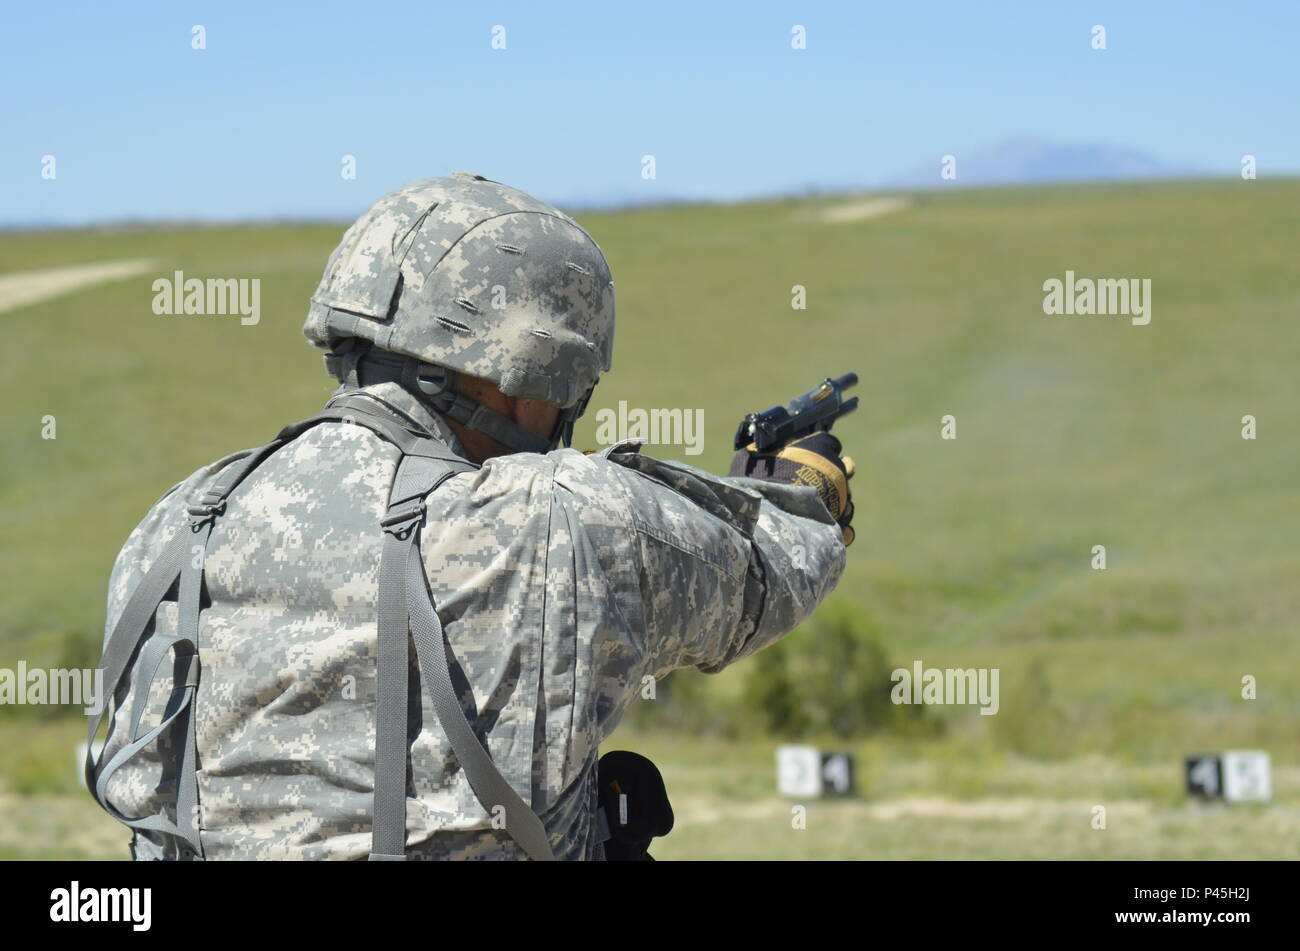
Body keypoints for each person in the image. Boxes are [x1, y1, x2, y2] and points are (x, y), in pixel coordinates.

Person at [90, 172, 854, 860]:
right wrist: (802, 486)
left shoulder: (180, 522)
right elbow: (770, 570)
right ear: (530, 379)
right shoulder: (558, 520)